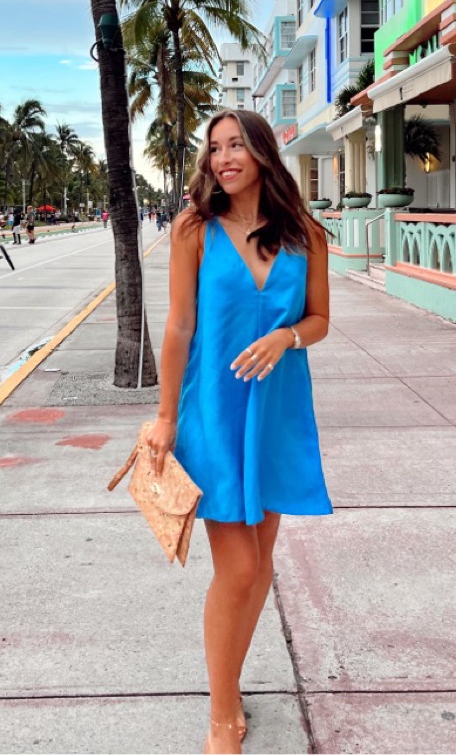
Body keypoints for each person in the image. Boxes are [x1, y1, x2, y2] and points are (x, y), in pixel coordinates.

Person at [146, 109, 331, 755]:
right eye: (214, 147)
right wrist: (166, 415)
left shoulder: (305, 232)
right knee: (241, 565)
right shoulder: (193, 230)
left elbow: (318, 320)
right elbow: (178, 327)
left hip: (277, 412)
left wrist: (285, 337)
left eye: (235, 146)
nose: (222, 158)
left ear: (261, 153)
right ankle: (222, 712)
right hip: (214, 413)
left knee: (259, 566)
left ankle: (229, 682)